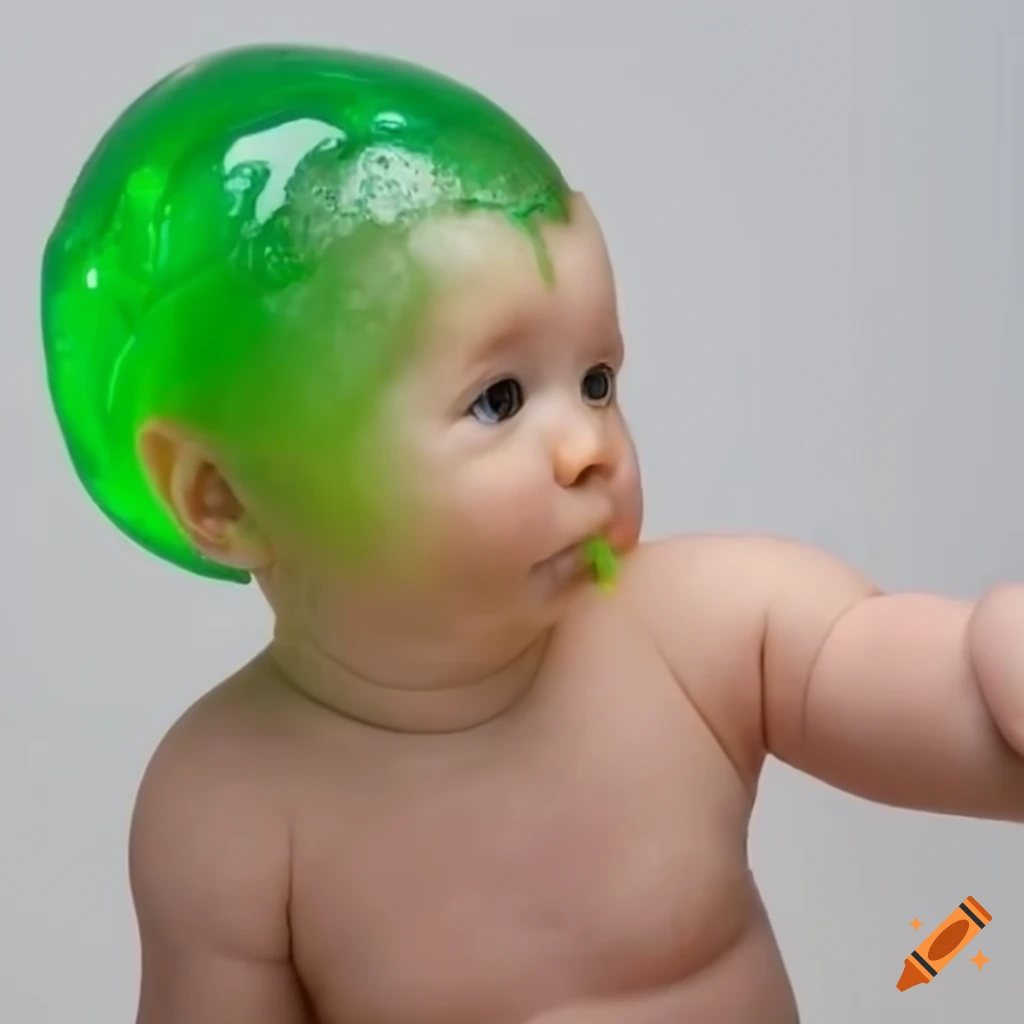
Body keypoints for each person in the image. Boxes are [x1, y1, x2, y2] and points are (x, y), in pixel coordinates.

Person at [42, 44, 1024, 1024]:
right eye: (497, 398)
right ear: (224, 498)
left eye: (597, 378)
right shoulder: (228, 810)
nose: (586, 444)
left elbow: (932, 698)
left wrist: (992, 655)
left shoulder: (708, 631)